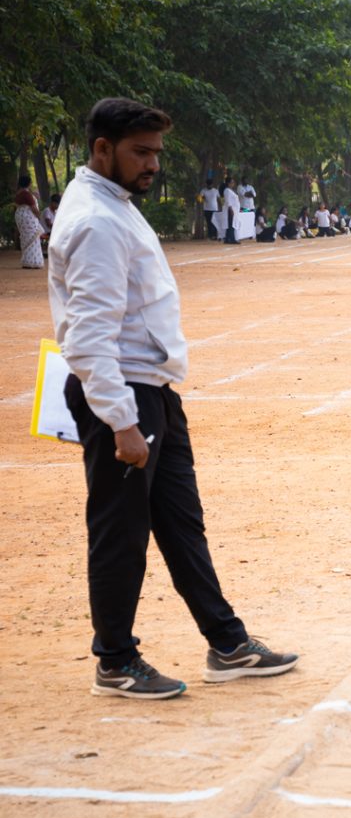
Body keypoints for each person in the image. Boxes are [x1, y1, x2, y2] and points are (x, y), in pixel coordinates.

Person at [49, 97, 298, 700]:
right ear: (101, 149)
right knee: (120, 531)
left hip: (152, 390)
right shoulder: (97, 221)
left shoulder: (118, 207)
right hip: (124, 397)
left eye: (157, 152)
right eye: (141, 152)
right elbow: (88, 337)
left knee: (183, 525)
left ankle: (227, 642)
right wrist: (121, 423)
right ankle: (114, 660)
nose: (152, 164)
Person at [14, 174, 45, 268]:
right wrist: (39, 216)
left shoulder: (18, 193)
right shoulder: (27, 194)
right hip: (28, 218)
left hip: (20, 217)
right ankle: (34, 262)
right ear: (29, 183)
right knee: (33, 238)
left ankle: (27, 261)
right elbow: (33, 208)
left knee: (26, 237)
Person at [220, 177, 240, 245]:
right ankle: (231, 238)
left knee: (231, 224)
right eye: (232, 182)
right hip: (230, 210)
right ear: (228, 183)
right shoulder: (227, 191)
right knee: (231, 224)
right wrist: (231, 209)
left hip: (234, 209)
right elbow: (228, 201)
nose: (233, 184)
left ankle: (228, 238)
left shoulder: (230, 190)